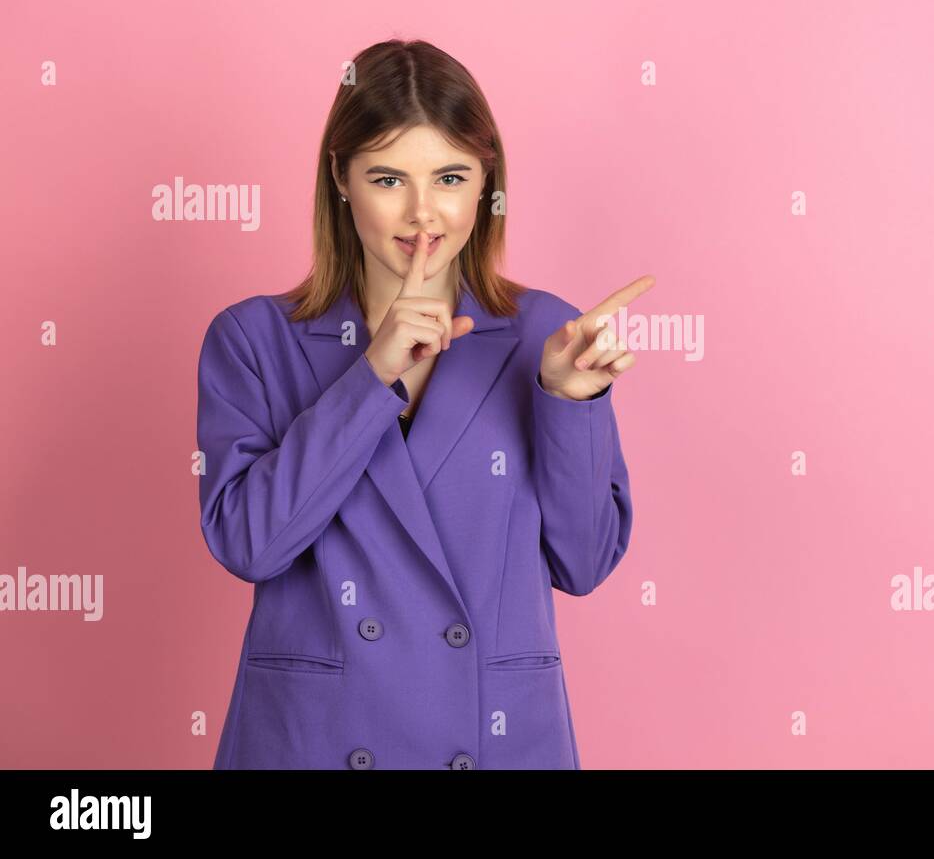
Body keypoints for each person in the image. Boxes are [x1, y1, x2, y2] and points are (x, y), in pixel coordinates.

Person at [195, 38, 652, 769]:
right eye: (386, 178)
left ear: (484, 182)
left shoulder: (545, 334)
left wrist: (572, 403)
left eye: (448, 176)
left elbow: (585, 563)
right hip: (313, 741)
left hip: (497, 738)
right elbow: (250, 544)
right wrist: (371, 378)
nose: (421, 213)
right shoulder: (253, 339)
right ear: (340, 179)